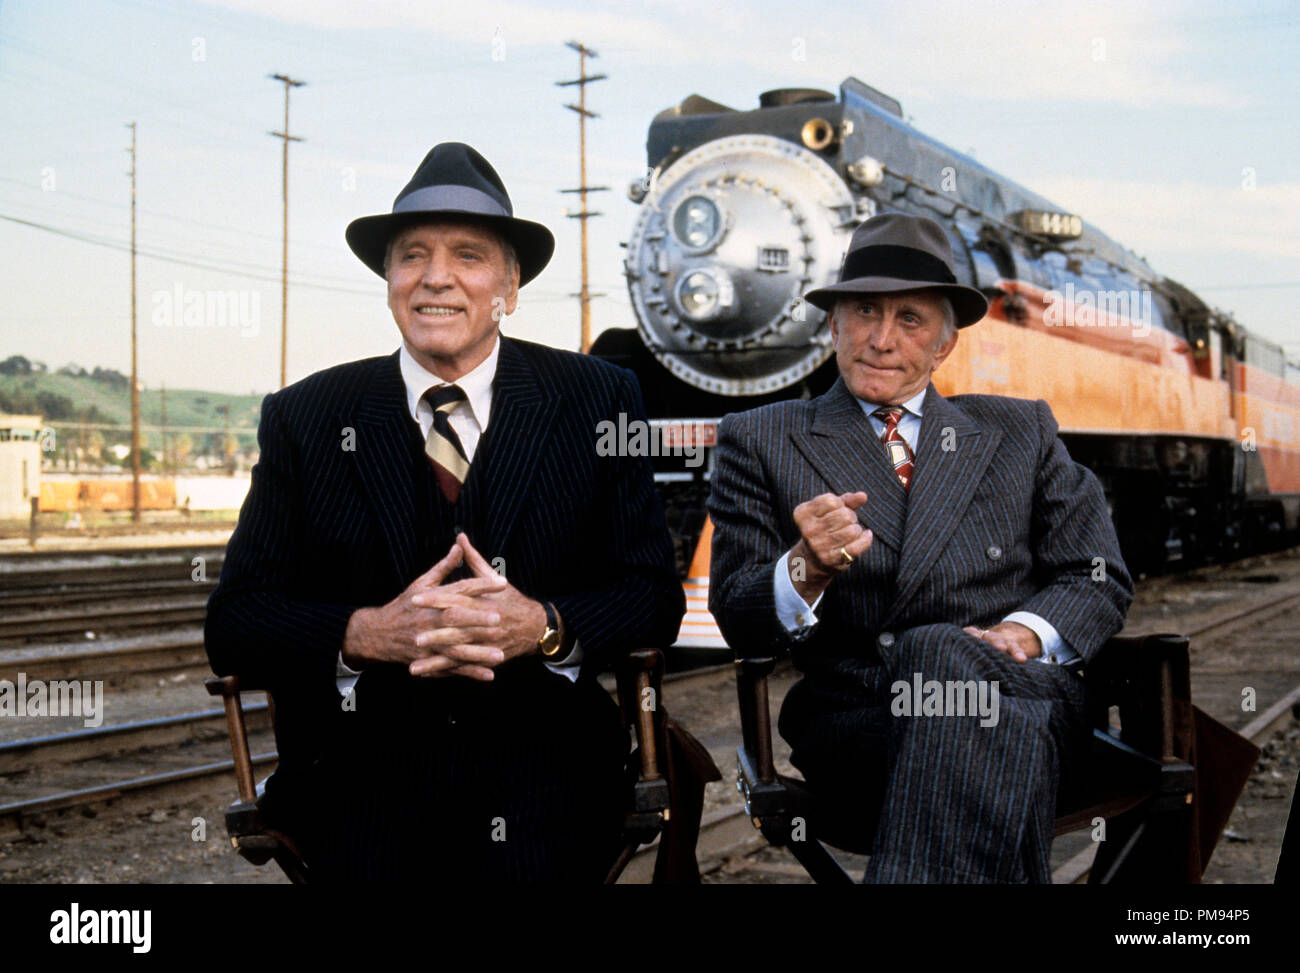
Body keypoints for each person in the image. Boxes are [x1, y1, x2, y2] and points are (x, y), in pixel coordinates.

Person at [205, 143, 684, 883]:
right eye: (412, 256)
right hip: (359, 775)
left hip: (548, 772)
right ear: (389, 282)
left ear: (511, 286)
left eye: (469, 255)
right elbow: (234, 619)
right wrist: (365, 633)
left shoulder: (597, 399)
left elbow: (652, 598)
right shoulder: (305, 415)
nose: (436, 277)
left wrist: (545, 625)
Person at [707, 212, 1134, 883]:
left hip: (1021, 696)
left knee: (943, 655)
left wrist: (1023, 634)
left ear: (944, 343)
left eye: (910, 319)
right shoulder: (761, 436)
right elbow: (738, 616)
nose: (881, 339)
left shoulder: (1019, 430)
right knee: (940, 661)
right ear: (833, 324)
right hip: (865, 725)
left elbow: (1097, 574)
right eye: (865, 311)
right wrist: (805, 568)